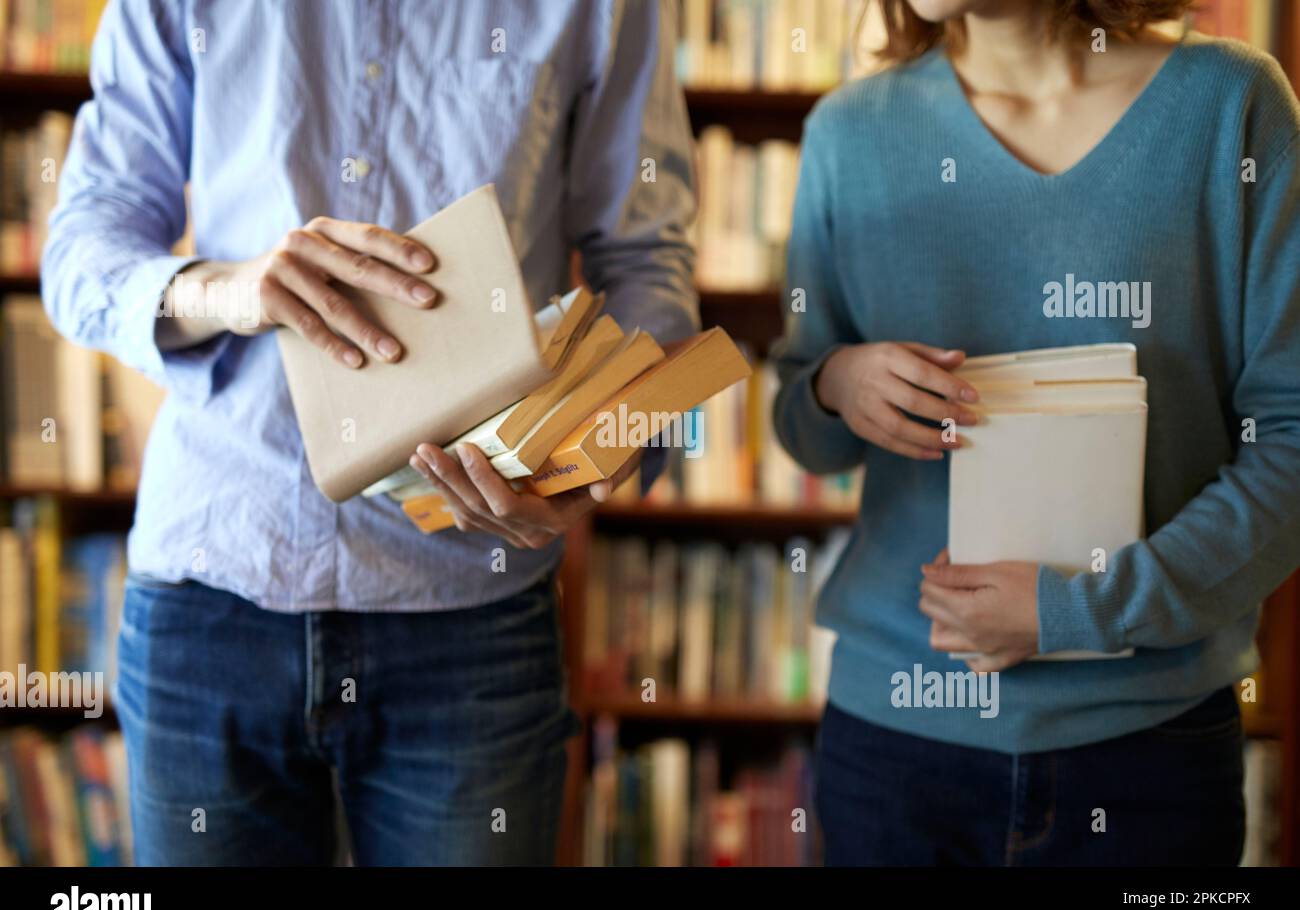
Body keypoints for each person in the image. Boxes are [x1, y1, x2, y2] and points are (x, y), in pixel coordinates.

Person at [42, 0, 697, 865]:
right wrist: (224, 290)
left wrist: (590, 455)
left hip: (473, 611)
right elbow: (87, 239)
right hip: (214, 586)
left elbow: (647, 261)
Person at [774, 0, 1300, 865]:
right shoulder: (847, 130)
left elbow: (1288, 443)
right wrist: (835, 384)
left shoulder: (1231, 103)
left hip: (1150, 750)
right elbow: (807, 430)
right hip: (893, 746)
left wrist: (1079, 610)